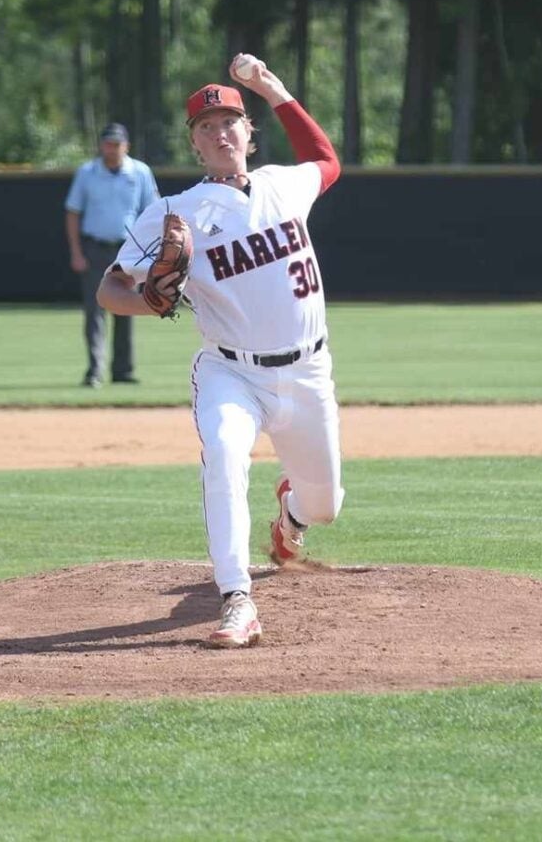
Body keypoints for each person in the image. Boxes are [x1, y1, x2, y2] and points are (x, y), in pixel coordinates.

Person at [96, 56, 343, 649]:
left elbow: (328, 161)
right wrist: (151, 302)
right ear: (196, 145)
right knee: (225, 458)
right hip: (231, 372)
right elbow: (111, 289)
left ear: (249, 135)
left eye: (231, 120)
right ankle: (237, 599)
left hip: (309, 371)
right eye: (206, 127)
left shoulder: (285, 185)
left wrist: (272, 88)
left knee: (327, 503)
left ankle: (294, 517)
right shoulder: (175, 213)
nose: (221, 131)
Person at [64, 122, 160, 388]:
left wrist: (149, 254)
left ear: (126, 146)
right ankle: (95, 370)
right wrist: (76, 252)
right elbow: (73, 212)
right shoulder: (87, 172)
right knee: (94, 310)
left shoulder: (139, 172)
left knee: (126, 308)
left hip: (128, 251)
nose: (112, 149)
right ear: (101, 145)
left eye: (117, 144)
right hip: (94, 248)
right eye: (108, 143)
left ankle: (123, 370)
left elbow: (151, 214)